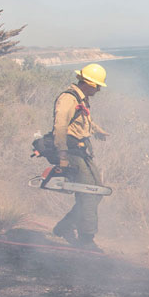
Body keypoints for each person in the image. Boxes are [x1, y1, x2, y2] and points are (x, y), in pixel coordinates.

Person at [51, 63, 110, 251]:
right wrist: (62, 156)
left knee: (98, 190)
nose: (99, 89)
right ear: (88, 83)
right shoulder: (68, 99)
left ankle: (65, 226)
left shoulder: (81, 99)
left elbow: (84, 120)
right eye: (97, 85)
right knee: (88, 193)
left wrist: (98, 131)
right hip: (71, 151)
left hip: (82, 151)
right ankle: (86, 239)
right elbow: (60, 128)